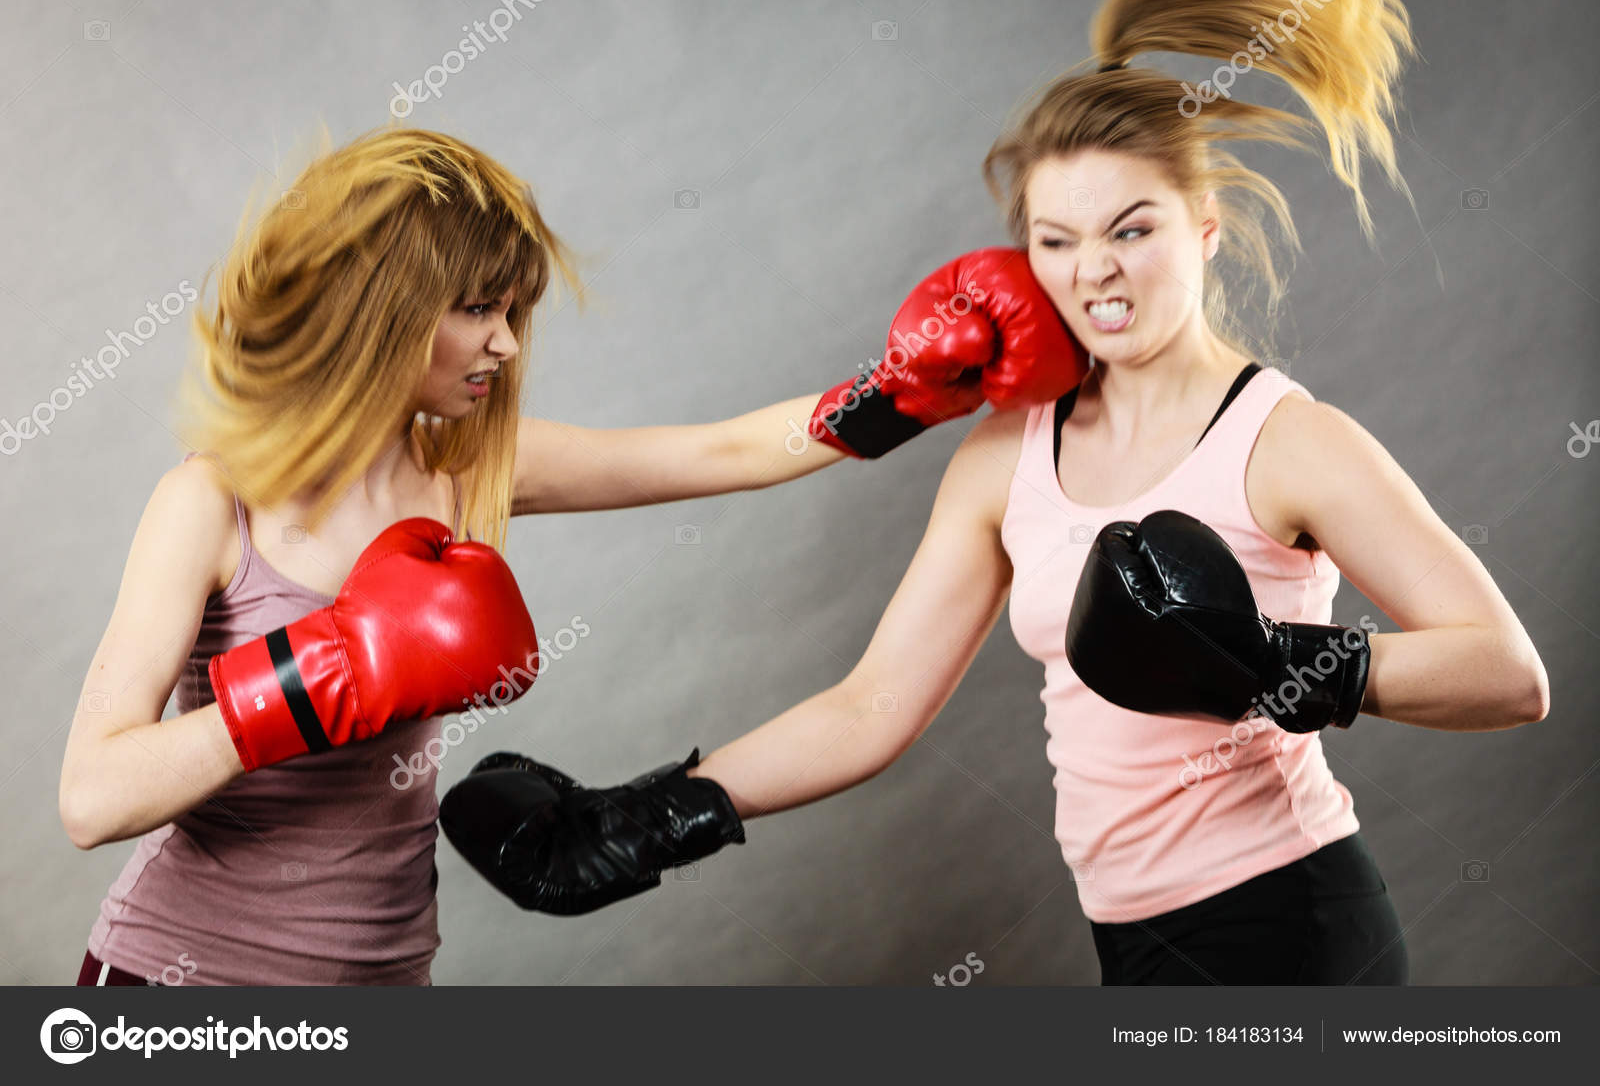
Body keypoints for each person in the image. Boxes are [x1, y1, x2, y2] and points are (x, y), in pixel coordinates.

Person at [440, 0, 1551, 986]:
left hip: (1293, 919)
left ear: (1204, 228)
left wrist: (1271, 661)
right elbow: (872, 705)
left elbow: (1507, 675)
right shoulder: (1006, 451)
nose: (1094, 274)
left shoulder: (1284, 439)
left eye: (1132, 231)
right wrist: (640, 820)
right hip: (1127, 935)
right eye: (1055, 241)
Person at [59, 126, 1085, 986]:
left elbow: (718, 452)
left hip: (384, 976)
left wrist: (906, 391)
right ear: (379, 305)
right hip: (177, 975)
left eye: (513, 311)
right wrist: (317, 670)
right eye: (476, 309)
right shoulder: (212, 501)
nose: (505, 345)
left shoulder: (469, 473)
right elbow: (91, 799)